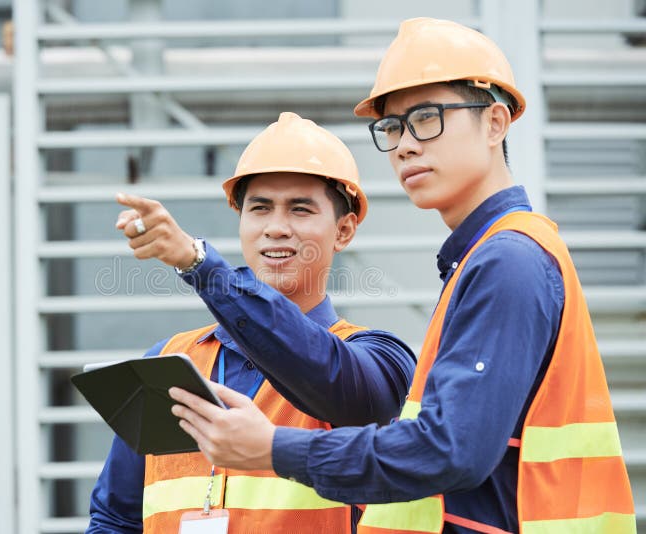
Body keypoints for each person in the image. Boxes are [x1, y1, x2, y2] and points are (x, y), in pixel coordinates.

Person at [169, 18, 636, 533]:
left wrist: (273, 449)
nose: (405, 146)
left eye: (427, 118)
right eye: (392, 128)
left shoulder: (509, 260)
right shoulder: (485, 258)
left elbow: (451, 450)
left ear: (496, 123)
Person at [86, 111, 416, 533]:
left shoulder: (378, 361)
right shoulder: (168, 361)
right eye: (260, 208)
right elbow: (116, 518)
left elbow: (334, 381)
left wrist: (199, 264)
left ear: (344, 230)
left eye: (300, 209)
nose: (276, 228)